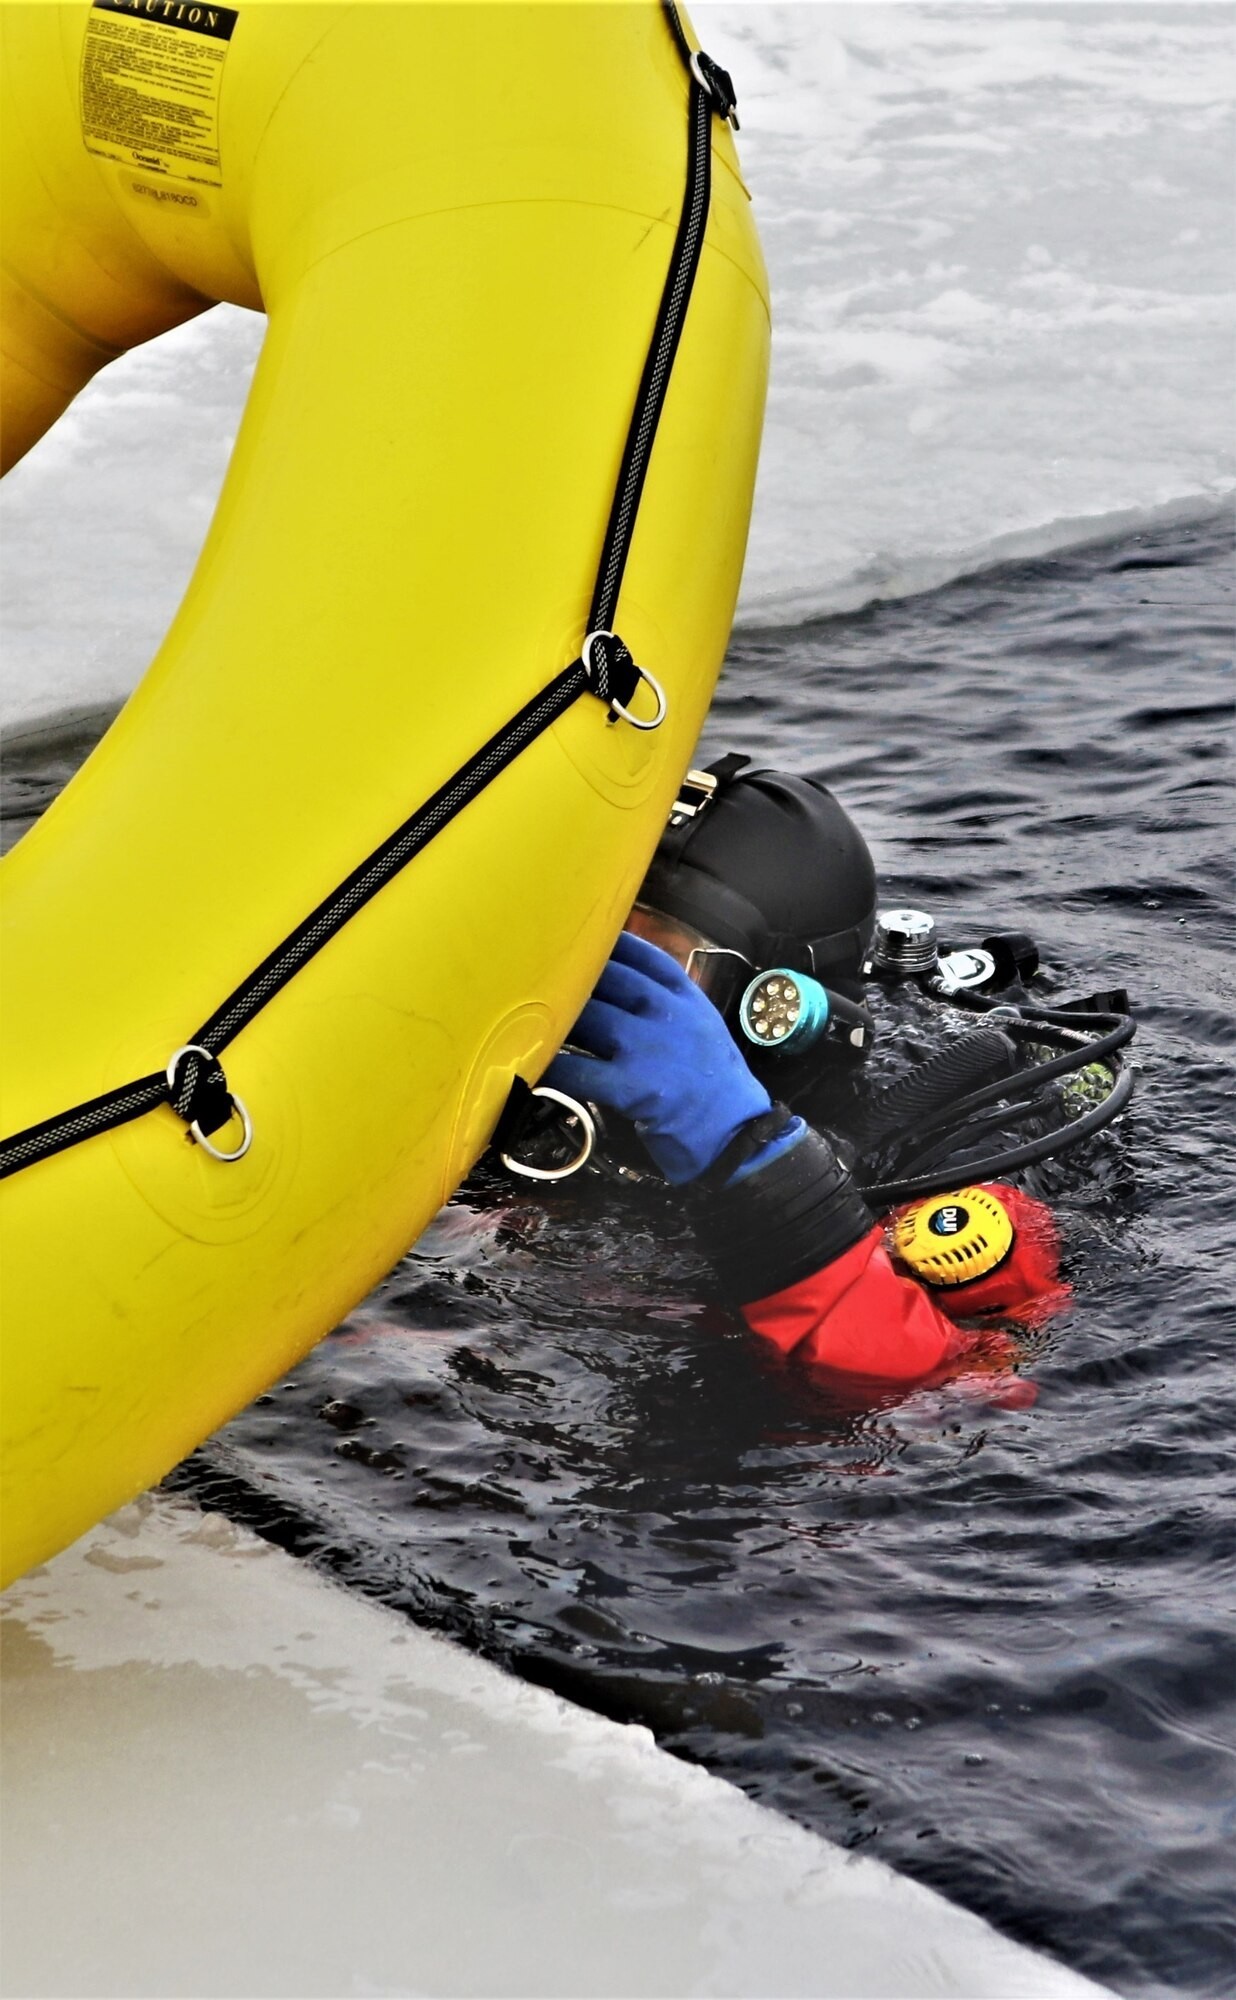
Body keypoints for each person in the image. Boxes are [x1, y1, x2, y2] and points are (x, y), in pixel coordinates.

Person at [521, 756, 1070, 1388]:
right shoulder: (547, 1098)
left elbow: (977, 1382)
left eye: (666, 963)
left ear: (776, 1001)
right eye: (602, 939)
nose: (610, 988)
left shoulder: (956, 1160)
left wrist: (739, 1149)